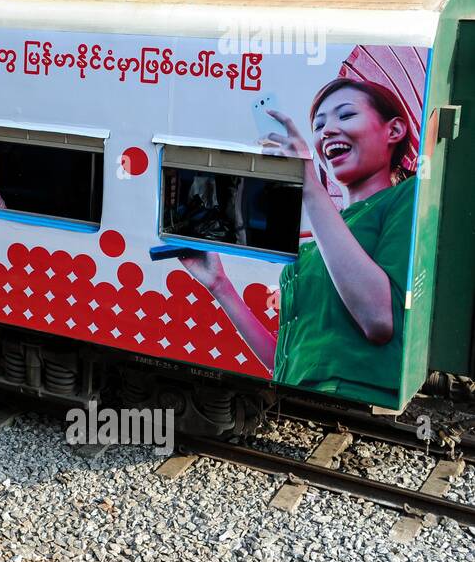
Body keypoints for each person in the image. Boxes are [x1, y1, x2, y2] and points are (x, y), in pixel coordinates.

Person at [178, 79, 416, 407]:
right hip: (304, 396)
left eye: (345, 116)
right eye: (319, 125)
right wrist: (221, 287)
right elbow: (284, 363)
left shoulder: (407, 198)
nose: (327, 130)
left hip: (356, 398)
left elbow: (379, 321)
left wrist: (306, 183)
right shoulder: (321, 239)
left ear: (395, 130)